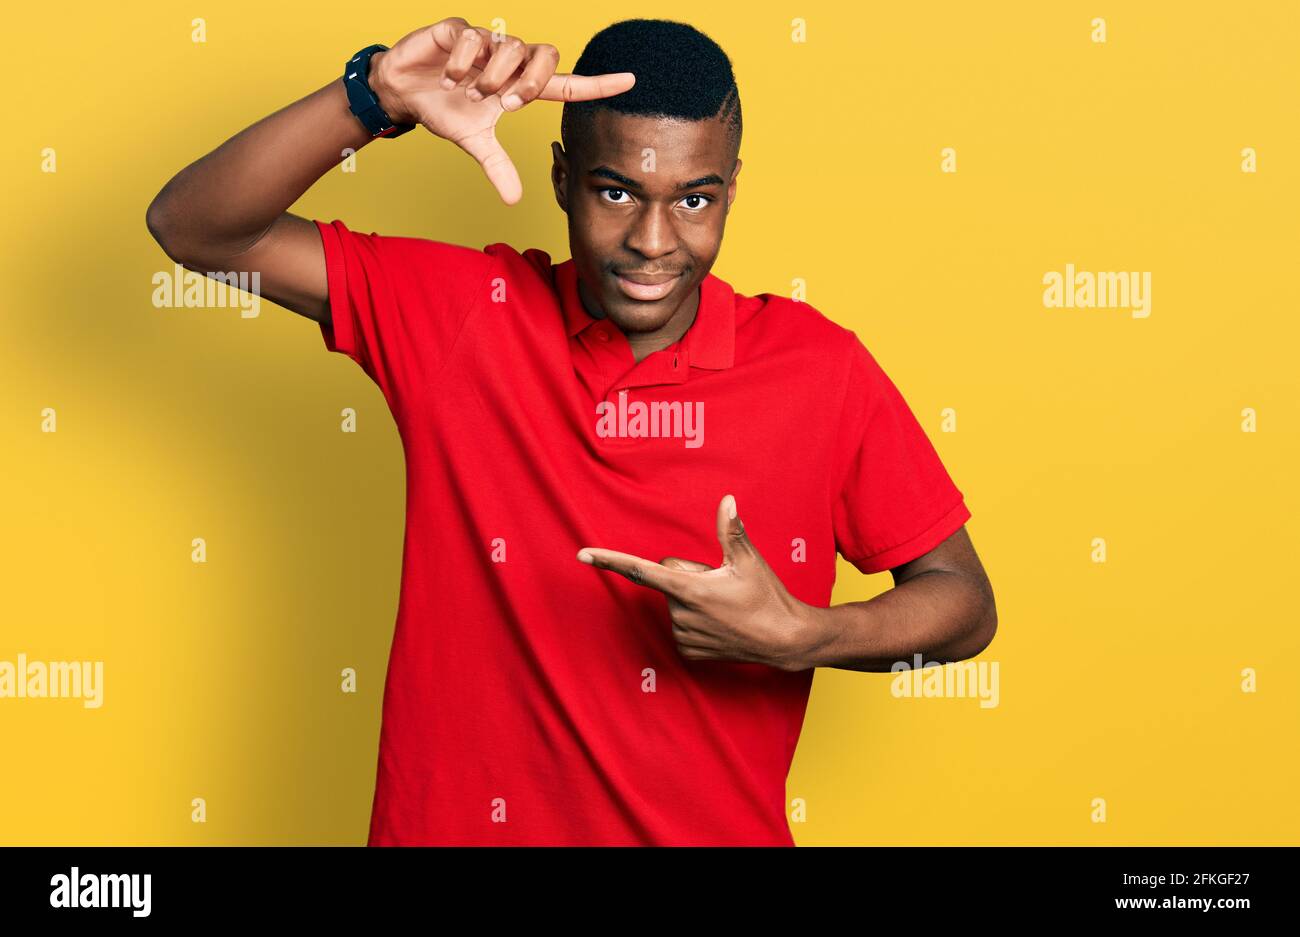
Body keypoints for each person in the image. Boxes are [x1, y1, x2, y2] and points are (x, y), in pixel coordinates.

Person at [146, 16, 997, 846]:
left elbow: (964, 602)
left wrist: (807, 634)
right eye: (616, 191)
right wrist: (375, 97)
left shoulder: (820, 369)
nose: (653, 242)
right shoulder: (462, 318)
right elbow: (198, 227)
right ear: (562, 178)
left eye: (693, 200)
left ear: (732, 188)